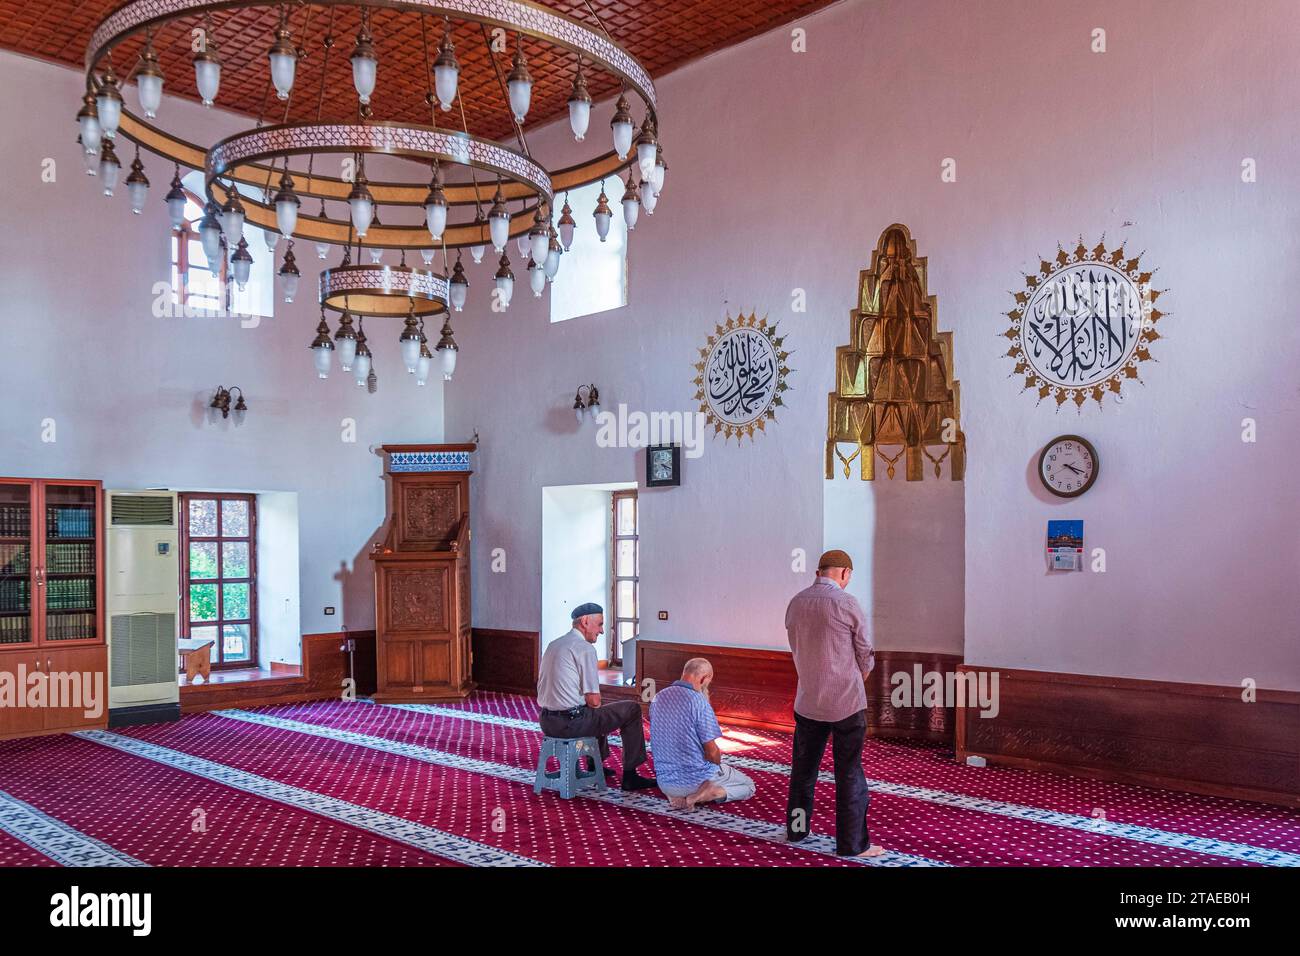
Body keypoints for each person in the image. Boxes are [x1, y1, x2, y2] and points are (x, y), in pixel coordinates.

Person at [783, 550, 885, 858]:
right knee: (849, 773)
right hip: (846, 704)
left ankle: (797, 831)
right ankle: (853, 845)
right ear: (844, 574)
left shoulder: (796, 602)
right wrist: (856, 677)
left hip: (808, 701)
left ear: (818, 571)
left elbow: (796, 646)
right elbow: (865, 651)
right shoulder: (846, 602)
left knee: (803, 770)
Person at [536, 602, 656, 790]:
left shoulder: (554, 644)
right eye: (599, 624)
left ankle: (594, 765)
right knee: (629, 709)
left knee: (598, 712)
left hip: (546, 721)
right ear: (584, 622)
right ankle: (631, 775)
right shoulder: (584, 648)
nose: (601, 631)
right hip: (571, 724)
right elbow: (593, 700)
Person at [649, 658, 755, 809]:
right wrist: (718, 763)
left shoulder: (658, 697)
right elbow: (712, 753)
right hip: (696, 780)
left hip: (664, 782)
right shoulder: (698, 701)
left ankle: (676, 796)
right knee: (748, 785)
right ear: (704, 678)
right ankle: (707, 794)